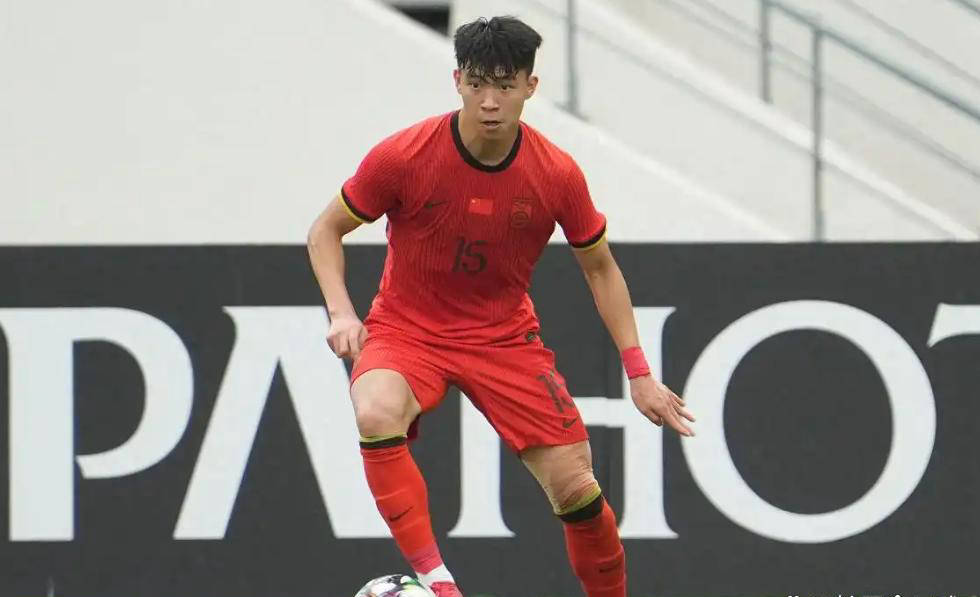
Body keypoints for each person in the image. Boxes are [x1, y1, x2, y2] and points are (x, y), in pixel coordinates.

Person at [307, 15, 695, 597]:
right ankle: (439, 584)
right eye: (477, 84)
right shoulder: (404, 156)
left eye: (506, 86)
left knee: (577, 487)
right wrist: (342, 312)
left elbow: (600, 268)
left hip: (503, 339)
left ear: (530, 88)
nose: (490, 102)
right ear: (457, 81)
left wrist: (638, 373)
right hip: (407, 330)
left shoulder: (556, 174)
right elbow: (324, 231)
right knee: (375, 410)